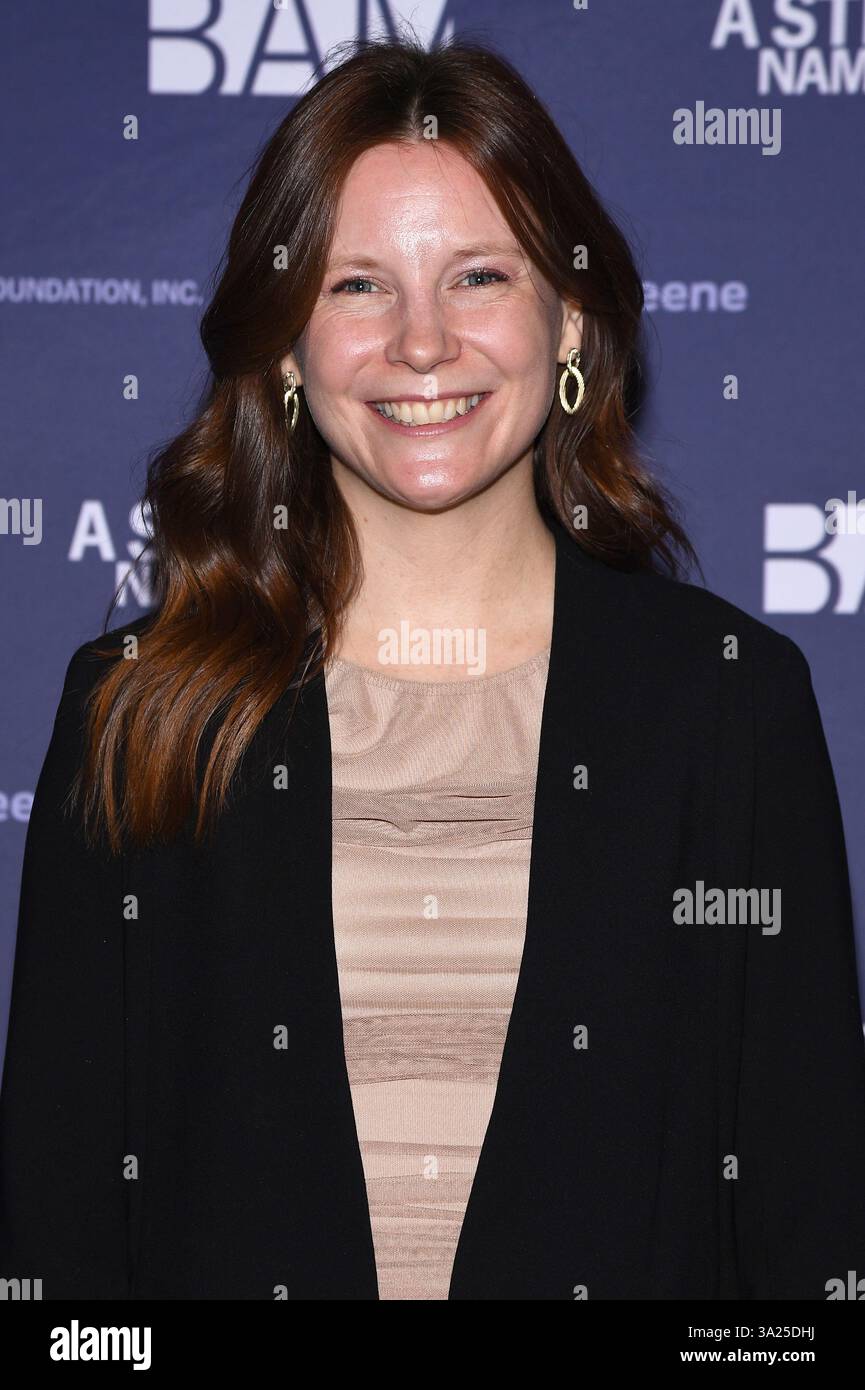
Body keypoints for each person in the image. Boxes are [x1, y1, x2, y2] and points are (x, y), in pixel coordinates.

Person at [1, 34, 864, 1302]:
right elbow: (60, 1258)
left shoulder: (728, 704)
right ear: (287, 346)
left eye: (476, 276)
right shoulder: (140, 708)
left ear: (568, 317)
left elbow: (805, 1244)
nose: (421, 344)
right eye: (357, 285)